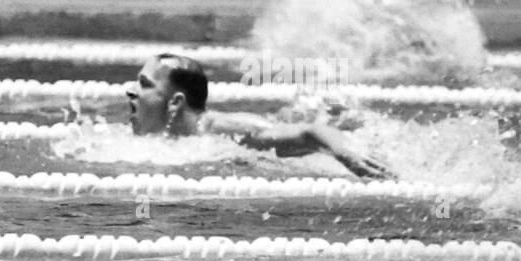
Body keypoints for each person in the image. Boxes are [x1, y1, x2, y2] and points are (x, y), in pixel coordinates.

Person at [126, 54, 392, 179]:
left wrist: (345, 151)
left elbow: (310, 132)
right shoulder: (158, 138)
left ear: (175, 102)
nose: (131, 91)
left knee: (313, 119)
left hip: (304, 131)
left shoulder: (224, 131)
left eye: (144, 85)